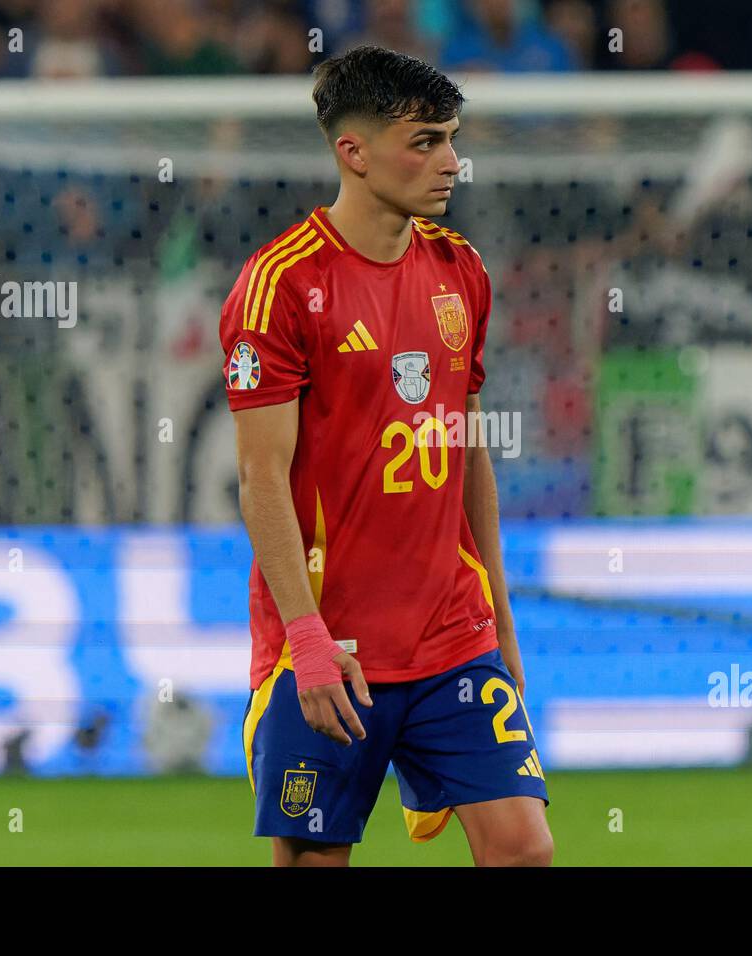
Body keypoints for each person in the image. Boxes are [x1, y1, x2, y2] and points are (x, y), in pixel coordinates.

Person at [218, 45, 553, 867]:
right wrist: (304, 636)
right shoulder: (279, 286)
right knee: (313, 862)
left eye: (451, 139)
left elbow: (468, 450)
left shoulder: (460, 268)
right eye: (426, 141)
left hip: (451, 634)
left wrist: (500, 618)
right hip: (335, 643)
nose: (450, 161)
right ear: (353, 151)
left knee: (525, 849)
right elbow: (261, 477)